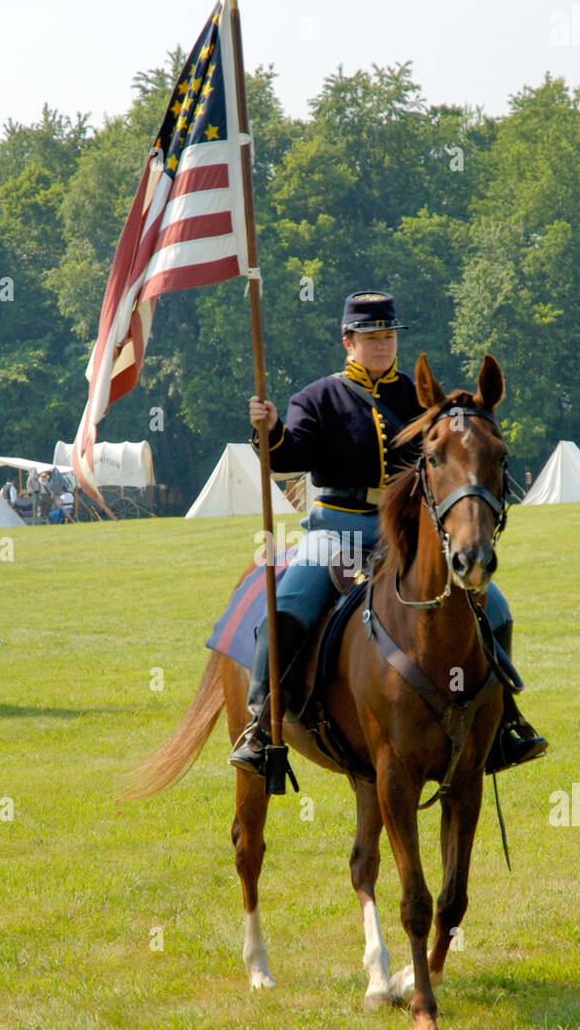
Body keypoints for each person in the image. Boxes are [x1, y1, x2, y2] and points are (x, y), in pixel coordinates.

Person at [228, 290, 547, 777]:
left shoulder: (418, 399)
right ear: (348, 342)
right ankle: (262, 726)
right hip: (336, 529)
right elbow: (289, 458)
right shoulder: (317, 397)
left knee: (496, 605)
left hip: (404, 533)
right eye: (371, 338)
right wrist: (269, 432)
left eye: (389, 336)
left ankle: (503, 722)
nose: (382, 345)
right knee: (289, 605)